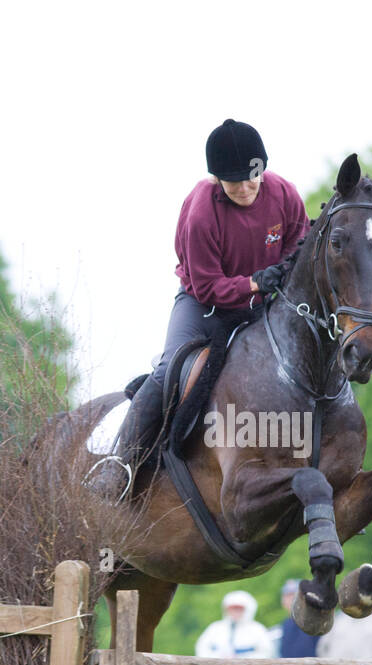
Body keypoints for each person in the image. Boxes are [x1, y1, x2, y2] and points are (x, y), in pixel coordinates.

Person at [92, 119, 311, 498]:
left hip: (264, 305)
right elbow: (207, 285)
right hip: (204, 305)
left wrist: (283, 275)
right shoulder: (200, 212)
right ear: (216, 180)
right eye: (233, 183)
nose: (244, 189)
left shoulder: (284, 194)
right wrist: (254, 283)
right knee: (170, 369)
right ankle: (117, 464)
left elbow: (300, 243)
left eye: (251, 178)